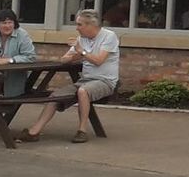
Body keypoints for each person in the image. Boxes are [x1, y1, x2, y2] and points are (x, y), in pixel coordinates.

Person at [19, 8, 118, 143]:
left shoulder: (109, 36)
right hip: (85, 80)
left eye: (79, 24)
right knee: (54, 96)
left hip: (105, 81)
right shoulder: (81, 40)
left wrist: (82, 52)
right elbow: (64, 60)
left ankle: (82, 131)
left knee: (83, 91)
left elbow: (99, 61)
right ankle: (34, 132)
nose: (77, 28)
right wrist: (76, 54)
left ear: (91, 25)